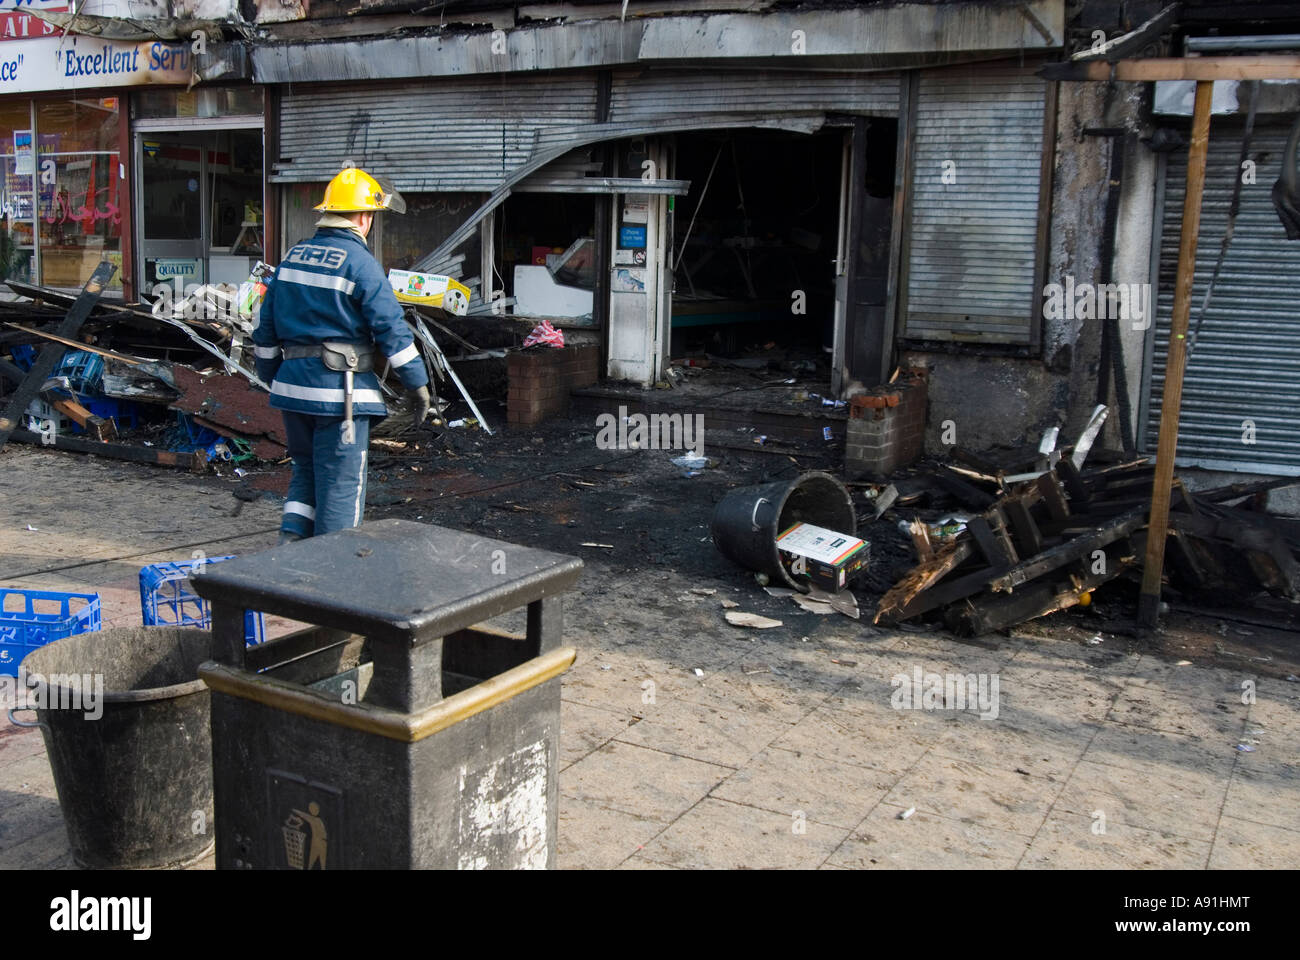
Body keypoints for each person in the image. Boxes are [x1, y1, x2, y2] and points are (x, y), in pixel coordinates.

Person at [253, 167, 433, 543]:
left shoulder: (292, 257)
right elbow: (391, 328)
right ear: (365, 217)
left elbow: (265, 328)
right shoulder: (360, 264)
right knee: (341, 484)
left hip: (294, 390)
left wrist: (275, 376)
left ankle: (290, 550)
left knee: (305, 471)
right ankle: (332, 577)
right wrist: (418, 385)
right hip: (341, 396)